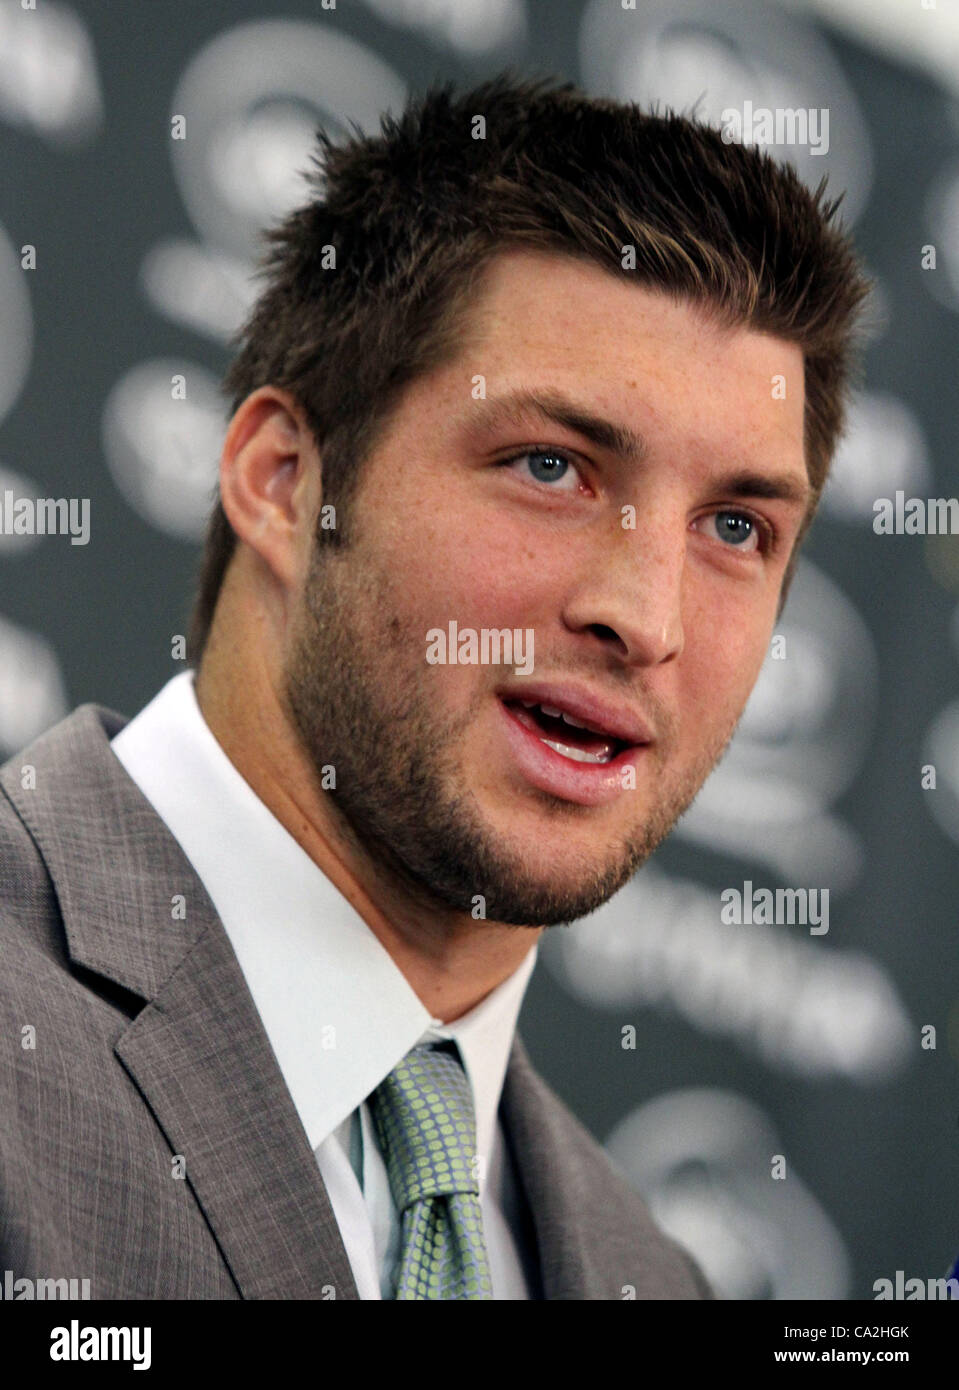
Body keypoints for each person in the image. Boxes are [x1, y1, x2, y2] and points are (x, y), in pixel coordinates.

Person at [0, 72, 871, 1301]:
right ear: (285, 483)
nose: (646, 617)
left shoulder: (650, 1277)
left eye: (732, 527)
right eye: (549, 465)